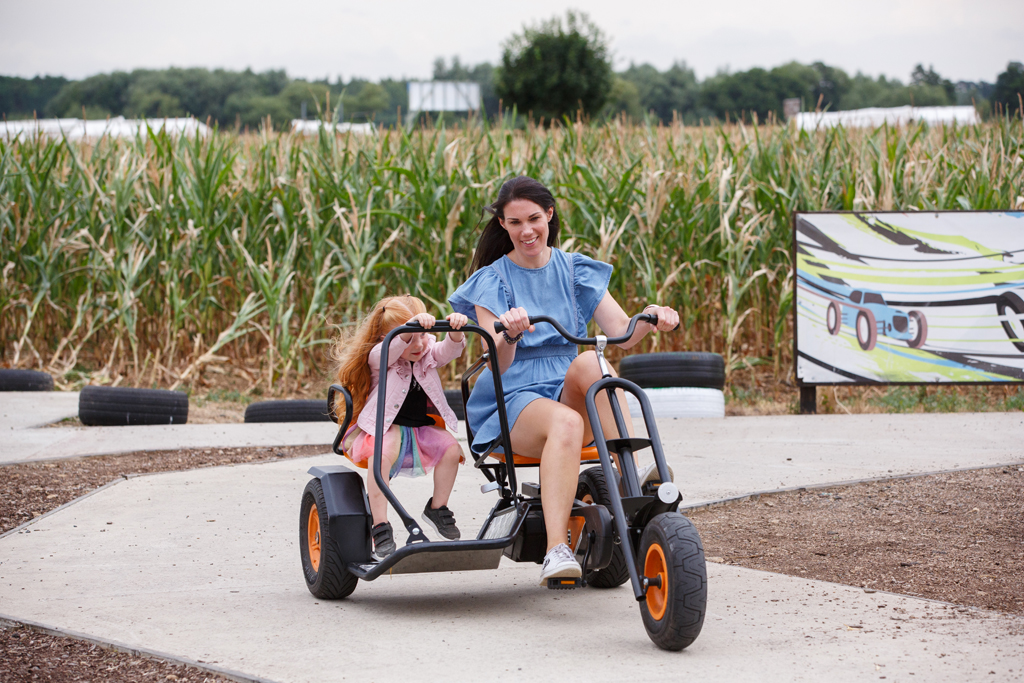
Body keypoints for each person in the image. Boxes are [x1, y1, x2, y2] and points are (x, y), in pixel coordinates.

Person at [448, 176, 679, 586]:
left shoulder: (574, 269)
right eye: (515, 222)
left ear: (549, 215)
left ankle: (632, 475)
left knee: (594, 361)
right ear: (502, 224)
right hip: (512, 397)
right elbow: (496, 363)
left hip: (564, 386)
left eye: (534, 219)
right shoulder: (492, 280)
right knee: (566, 422)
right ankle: (557, 550)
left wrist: (650, 316)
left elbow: (621, 333)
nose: (526, 231)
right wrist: (509, 334)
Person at [333, 295, 469, 559]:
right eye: (411, 337)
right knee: (380, 457)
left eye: (423, 336)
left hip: (421, 427)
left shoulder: (426, 350)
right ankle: (380, 524)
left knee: (452, 450)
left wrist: (454, 333)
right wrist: (408, 332)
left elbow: (446, 352)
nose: (419, 344)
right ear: (389, 336)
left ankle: (437, 508)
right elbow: (389, 351)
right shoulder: (380, 355)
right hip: (385, 426)